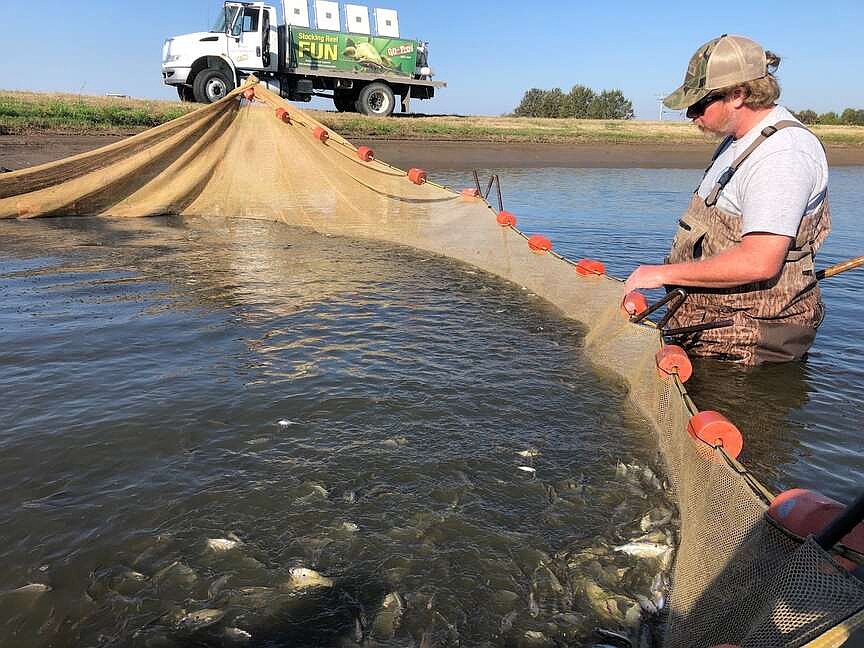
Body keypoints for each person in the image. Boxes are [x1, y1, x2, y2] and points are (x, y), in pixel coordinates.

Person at [624, 34, 830, 365]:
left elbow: (758, 261)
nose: (690, 114)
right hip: (710, 330)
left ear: (738, 95)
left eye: (699, 103)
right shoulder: (738, 141)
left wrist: (662, 274)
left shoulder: (783, 155)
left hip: (750, 347)